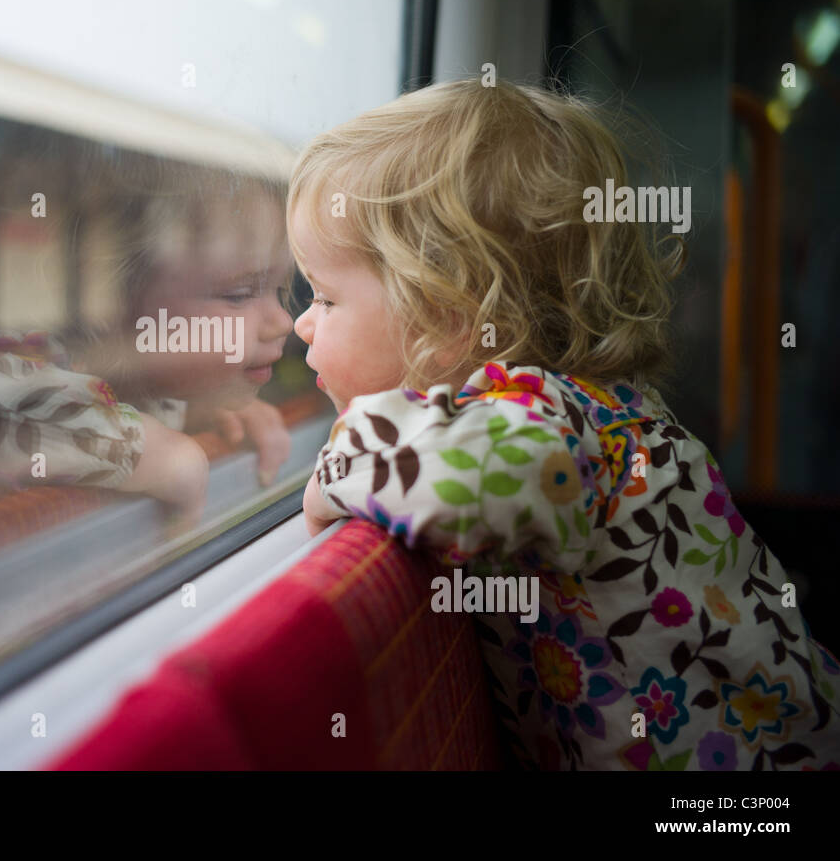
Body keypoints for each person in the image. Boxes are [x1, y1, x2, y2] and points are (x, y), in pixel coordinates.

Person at [292, 79, 840, 770]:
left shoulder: (552, 416)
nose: (301, 322)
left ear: (448, 310)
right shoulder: (598, 408)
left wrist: (341, 460)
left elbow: (468, 488)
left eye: (324, 295)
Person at [0, 159, 295, 533]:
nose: (283, 321)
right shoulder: (49, 362)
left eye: (280, 290)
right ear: (118, 298)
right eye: (240, 294)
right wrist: (140, 449)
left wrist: (207, 418)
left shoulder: (159, 392)